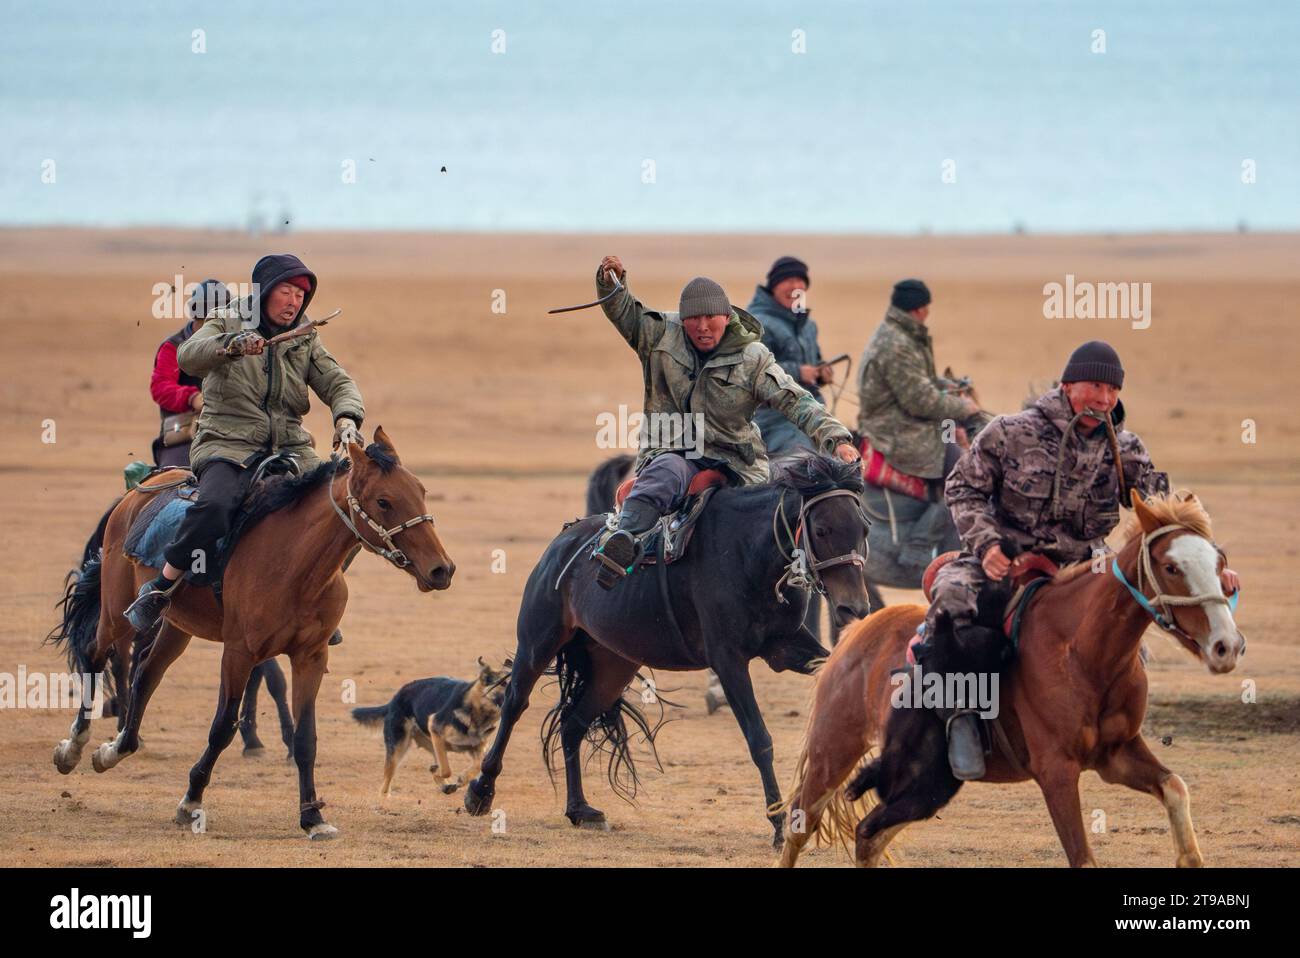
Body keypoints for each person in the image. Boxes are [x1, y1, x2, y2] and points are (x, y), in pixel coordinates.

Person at [919, 341, 1219, 779]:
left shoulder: (1126, 449)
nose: (1104, 399)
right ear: (1067, 386)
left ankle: (1111, 728)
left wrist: (1214, 560)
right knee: (952, 597)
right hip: (1008, 557)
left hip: (1085, 568)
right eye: (1094, 386)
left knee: (1135, 613)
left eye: (1113, 390)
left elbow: (1166, 514)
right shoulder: (1011, 432)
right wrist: (987, 547)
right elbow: (964, 487)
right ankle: (959, 716)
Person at [124, 253, 365, 632]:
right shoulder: (227, 319)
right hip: (228, 442)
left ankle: (313, 592)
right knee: (216, 506)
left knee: (344, 507)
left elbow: (336, 381)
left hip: (289, 446)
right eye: (286, 291)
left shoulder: (304, 335)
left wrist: (347, 417)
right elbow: (189, 355)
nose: (294, 302)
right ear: (265, 291)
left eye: (301, 295)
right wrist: (232, 345)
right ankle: (162, 586)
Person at [590, 255, 860, 589]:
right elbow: (625, 313)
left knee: (778, 510)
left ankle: (797, 575)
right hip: (674, 451)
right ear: (682, 319)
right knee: (663, 474)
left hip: (738, 462)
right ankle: (621, 544)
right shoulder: (659, 335)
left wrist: (837, 438)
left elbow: (797, 400)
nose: (702, 326)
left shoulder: (753, 357)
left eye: (710, 317)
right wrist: (610, 282)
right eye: (694, 319)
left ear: (727, 316)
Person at [856, 279, 981, 493]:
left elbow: (920, 381)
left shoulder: (898, 333)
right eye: (927, 308)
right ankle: (954, 524)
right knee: (969, 471)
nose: (928, 313)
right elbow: (920, 402)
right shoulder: (897, 344)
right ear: (919, 309)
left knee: (955, 432)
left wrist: (949, 385)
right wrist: (964, 407)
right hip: (897, 432)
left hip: (899, 422)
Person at [748, 256, 834, 455]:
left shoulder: (808, 326)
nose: (795, 286)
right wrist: (797, 372)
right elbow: (752, 371)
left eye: (800, 281)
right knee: (805, 456)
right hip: (772, 419)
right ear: (774, 286)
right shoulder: (757, 323)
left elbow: (813, 363)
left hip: (810, 413)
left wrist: (821, 372)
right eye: (788, 280)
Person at [151, 279, 229, 468]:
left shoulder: (235, 344)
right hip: (185, 431)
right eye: (210, 321)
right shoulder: (173, 347)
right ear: (197, 316)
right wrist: (192, 398)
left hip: (233, 429)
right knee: (177, 480)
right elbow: (160, 387)